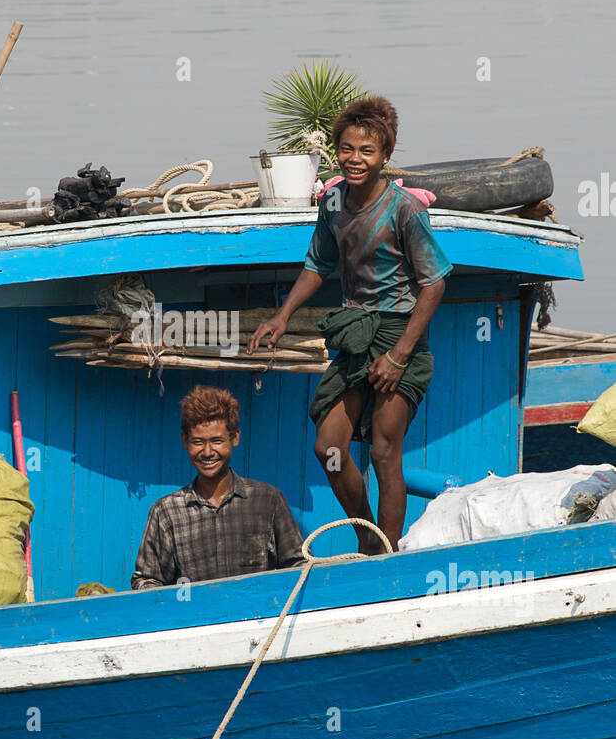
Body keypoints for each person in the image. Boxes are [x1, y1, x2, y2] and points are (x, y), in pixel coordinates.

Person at [248, 95, 452, 554]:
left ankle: (387, 554)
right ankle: (368, 537)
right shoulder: (334, 198)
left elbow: (434, 285)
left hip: (399, 337)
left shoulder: (404, 209)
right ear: (336, 150)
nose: (355, 159)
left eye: (367, 151)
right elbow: (318, 264)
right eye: (347, 149)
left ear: (384, 157)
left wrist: (399, 357)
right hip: (354, 336)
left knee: (383, 451)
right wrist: (281, 316)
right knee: (329, 447)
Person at [131, 385, 305, 590]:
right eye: (198, 442)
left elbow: (298, 566)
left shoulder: (267, 500)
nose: (207, 452)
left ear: (235, 438)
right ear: (184, 441)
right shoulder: (166, 512)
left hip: (262, 619)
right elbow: (147, 580)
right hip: (194, 620)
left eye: (217, 441)